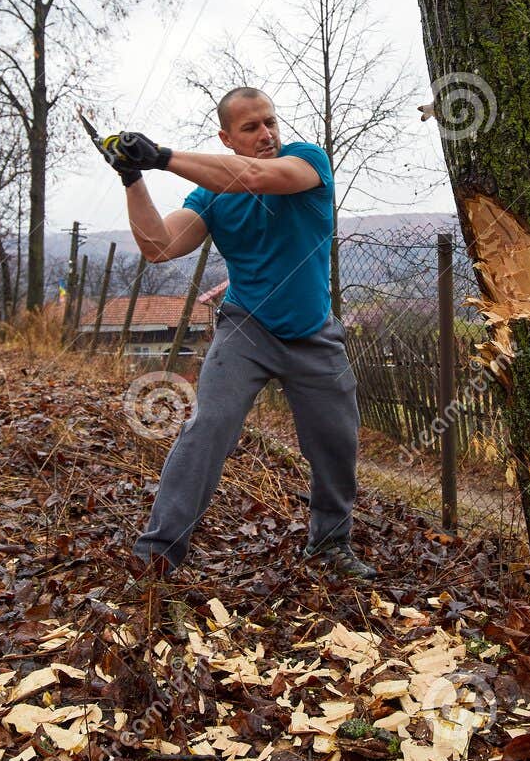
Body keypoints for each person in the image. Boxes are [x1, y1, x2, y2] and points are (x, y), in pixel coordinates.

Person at [95, 87, 373, 583]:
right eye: (251, 128)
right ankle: (159, 552)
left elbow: (256, 177)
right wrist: (133, 176)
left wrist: (160, 156)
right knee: (208, 427)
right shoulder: (210, 195)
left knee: (337, 440)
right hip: (246, 328)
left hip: (313, 332)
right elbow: (160, 245)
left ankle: (330, 544)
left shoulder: (307, 162)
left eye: (270, 122)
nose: (266, 134)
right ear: (227, 137)